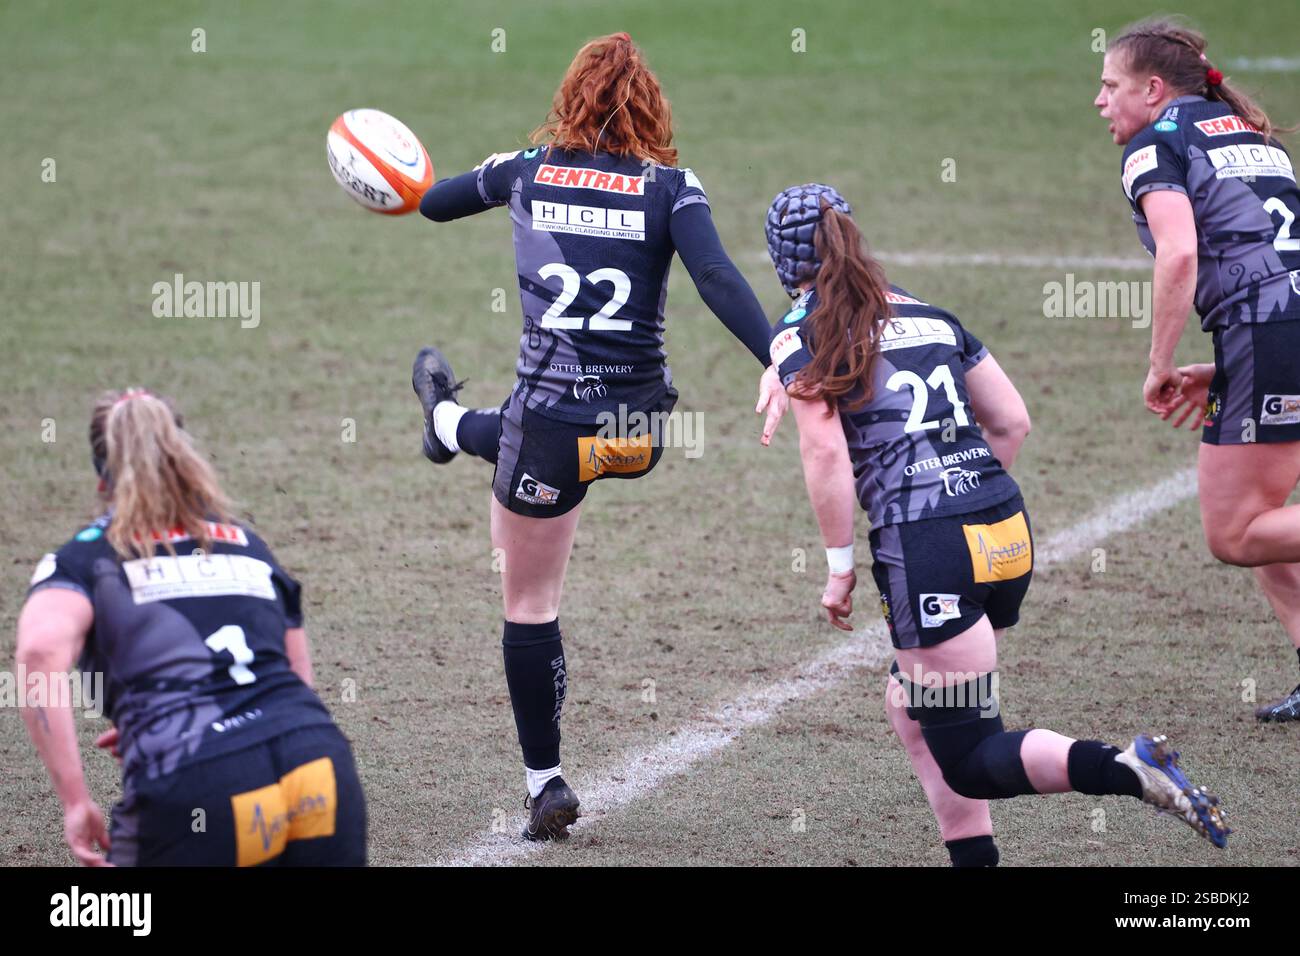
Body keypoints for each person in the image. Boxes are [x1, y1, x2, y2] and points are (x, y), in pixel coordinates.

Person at [762, 183, 1229, 861]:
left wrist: (839, 567)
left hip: (930, 550)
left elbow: (826, 450)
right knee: (910, 707)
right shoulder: (933, 316)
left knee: (975, 755)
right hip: (1006, 533)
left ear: (783, 262)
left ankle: (1127, 767)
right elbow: (1012, 421)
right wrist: (965, 492)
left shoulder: (800, 333)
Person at [410, 32, 785, 840]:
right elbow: (718, 278)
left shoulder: (524, 170)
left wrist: (433, 176)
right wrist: (779, 357)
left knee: (531, 604)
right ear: (648, 106)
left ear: (569, 101)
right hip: (638, 430)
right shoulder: (672, 187)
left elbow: (433, 203)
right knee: (524, 425)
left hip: (550, 434)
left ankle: (544, 783)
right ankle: (447, 424)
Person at [16, 388, 366, 866]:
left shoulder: (84, 558)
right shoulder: (246, 542)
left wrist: (76, 799)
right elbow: (294, 674)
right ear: (185, 455)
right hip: (316, 765)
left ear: (102, 476)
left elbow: (38, 654)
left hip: (199, 782)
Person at [1096, 17, 1300, 722]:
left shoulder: (1157, 146)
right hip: (1274, 334)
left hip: (1269, 334)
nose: (1100, 101)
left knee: (1236, 534)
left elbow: (1180, 254)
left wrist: (1158, 362)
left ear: (1151, 90)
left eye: (1110, 85)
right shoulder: (1252, 134)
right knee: (1268, 529)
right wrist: (1229, 364)